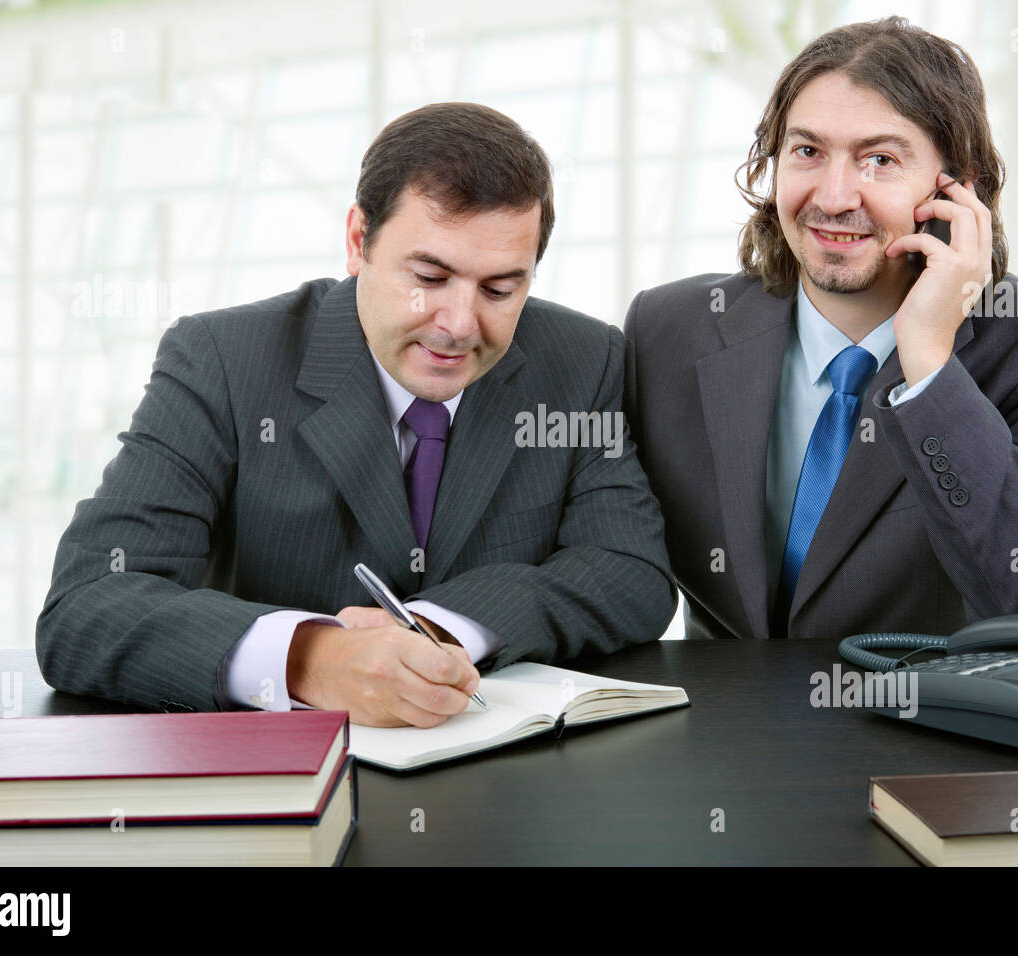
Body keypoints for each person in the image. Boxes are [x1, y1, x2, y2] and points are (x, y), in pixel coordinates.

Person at [37, 102, 675, 726]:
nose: (458, 324)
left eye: (499, 290)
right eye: (428, 275)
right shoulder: (222, 361)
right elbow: (89, 603)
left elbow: (630, 571)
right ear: (356, 241)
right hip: (278, 787)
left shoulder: (584, 360)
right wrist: (316, 658)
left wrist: (434, 630)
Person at [623, 17, 1018, 642]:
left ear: (961, 191)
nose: (832, 195)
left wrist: (930, 364)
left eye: (879, 160)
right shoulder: (668, 328)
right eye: (807, 152)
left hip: (918, 727)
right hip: (722, 725)